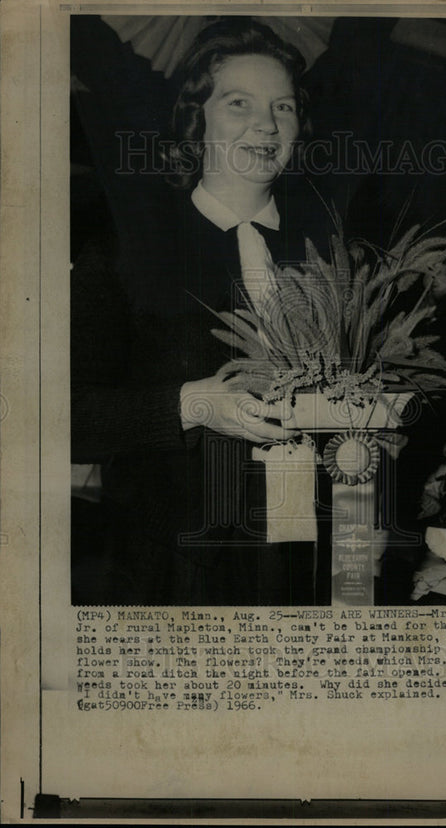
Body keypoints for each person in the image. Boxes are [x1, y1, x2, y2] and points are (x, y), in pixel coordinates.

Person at [71, 19, 333, 606]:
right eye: (239, 103)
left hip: (303, 569)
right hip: (166, 577)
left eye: (283, 107)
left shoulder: (329, 258)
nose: (266, 124)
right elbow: (62, 417)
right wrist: (192, 405)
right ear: (198, 119)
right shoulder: (124, 251)